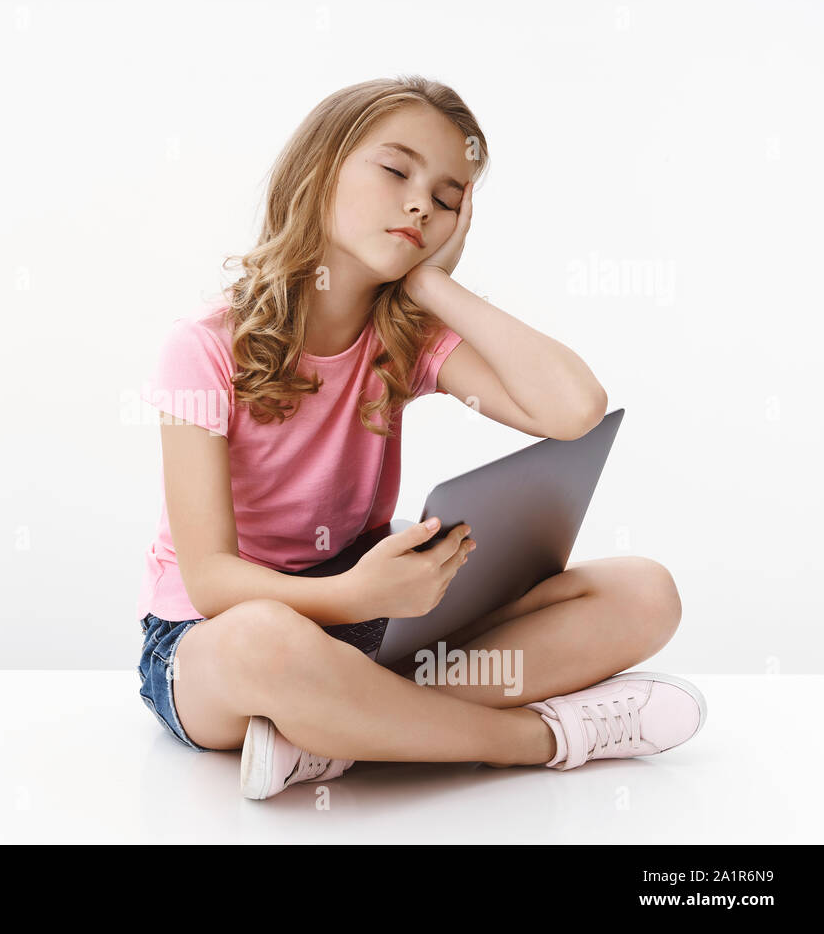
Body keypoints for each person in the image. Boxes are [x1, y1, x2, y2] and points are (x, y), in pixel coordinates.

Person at [135, 75, 705, 800]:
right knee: (265, 639)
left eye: (446, 199)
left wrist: (433, 284)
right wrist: (352, 593)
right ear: (319, 172)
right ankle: (537, 739)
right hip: (212, 643)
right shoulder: (205, 345)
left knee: (645, 594)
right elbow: (210, 580)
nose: (419, 204)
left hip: (371, 621)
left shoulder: (406, 339)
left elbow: (574, 408)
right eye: (397, 171)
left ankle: (338, 731)